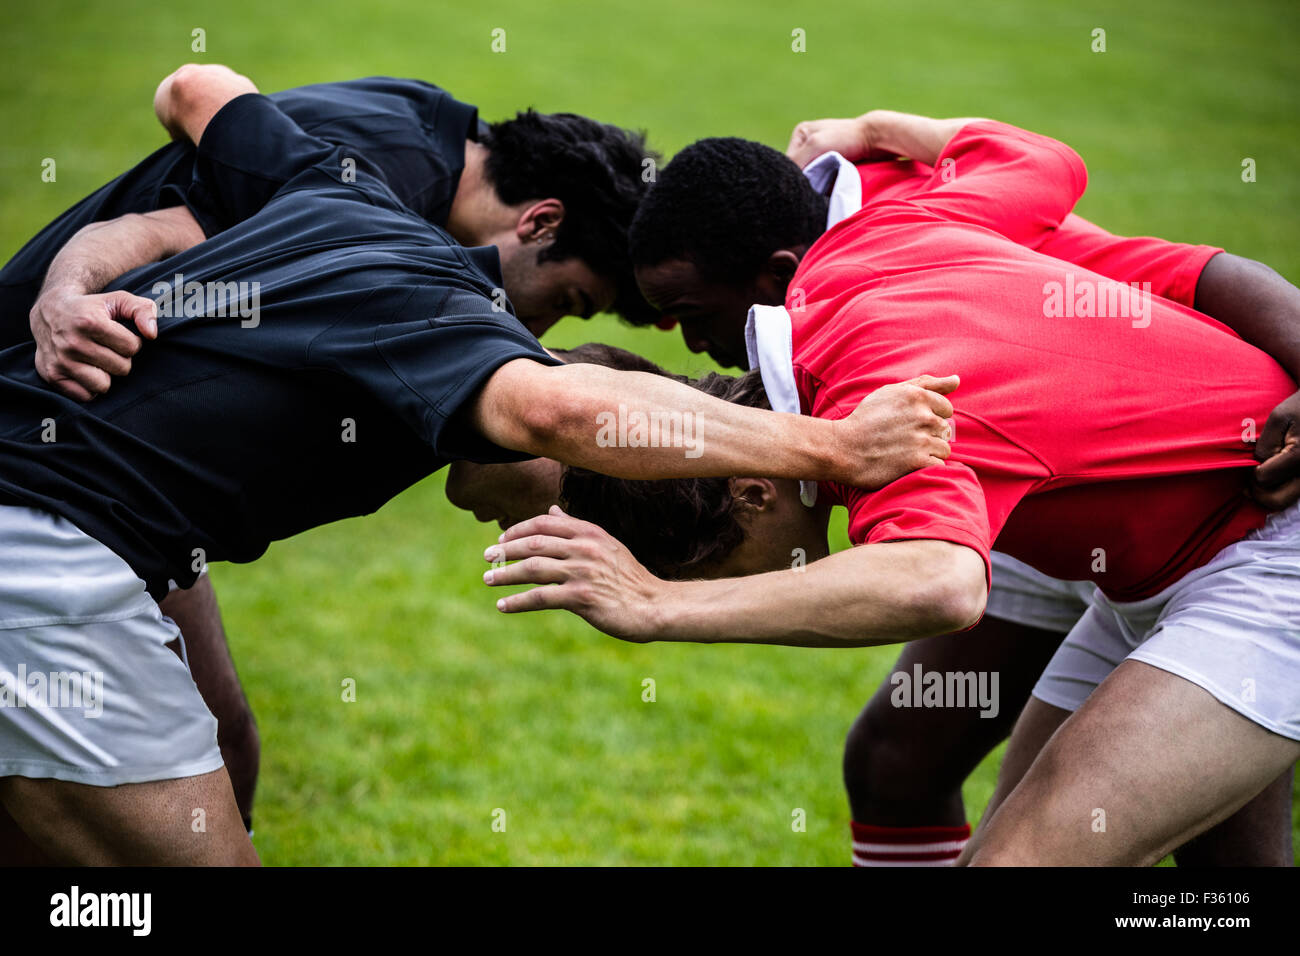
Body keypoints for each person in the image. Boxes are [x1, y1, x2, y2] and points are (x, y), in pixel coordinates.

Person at [0, 86, 954, 865]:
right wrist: (834, 450)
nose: (537, 341)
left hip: (79, 523)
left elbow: (179, 191)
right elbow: (557, 414)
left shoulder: (344, 190)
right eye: (571, 302)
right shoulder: (449, 323)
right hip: (49, 541)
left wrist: (72, 281)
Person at [484, 126, 1300, 865]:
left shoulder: (878, 406)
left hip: (1265, 539)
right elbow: (1040, 161)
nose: (777, 584)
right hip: (1186, 547)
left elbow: (937, 583)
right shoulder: (852, 242)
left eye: (730, 571)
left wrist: (659, 607)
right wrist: (875, 129)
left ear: (755, 493)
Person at [0, 62, 657, 839]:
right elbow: (174, 155)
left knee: (221, 739)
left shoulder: (434, 126)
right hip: (56, 454)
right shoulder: (383, 184)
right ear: (541, 221)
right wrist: (62, 293)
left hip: (105, 482)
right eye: (566, 302)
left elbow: (195, 87)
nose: (538, 331)